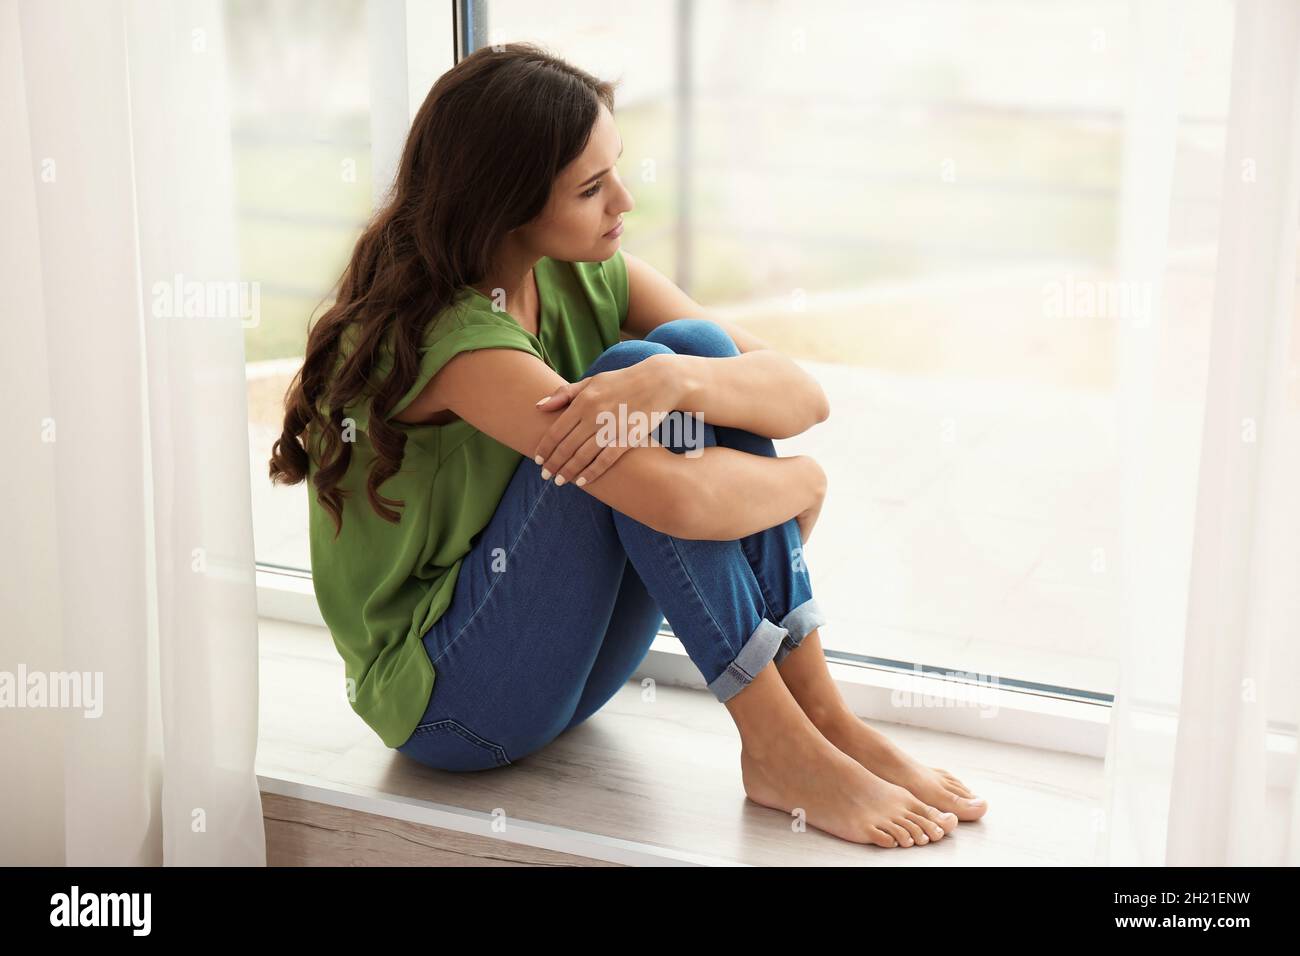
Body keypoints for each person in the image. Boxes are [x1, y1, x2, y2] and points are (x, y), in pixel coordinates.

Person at [268, 41, 987, 849]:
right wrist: (806, 484)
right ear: (504, 205)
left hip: (566, 669)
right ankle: (777, 743)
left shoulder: (580, 269)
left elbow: (797, 394)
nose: (625, 199)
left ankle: (819, 715)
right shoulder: (460, 342)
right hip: (455, 709)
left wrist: (681, 385)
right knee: (635, 382)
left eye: (616, 169)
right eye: (590, 188)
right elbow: (676, 500)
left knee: (686, 349)